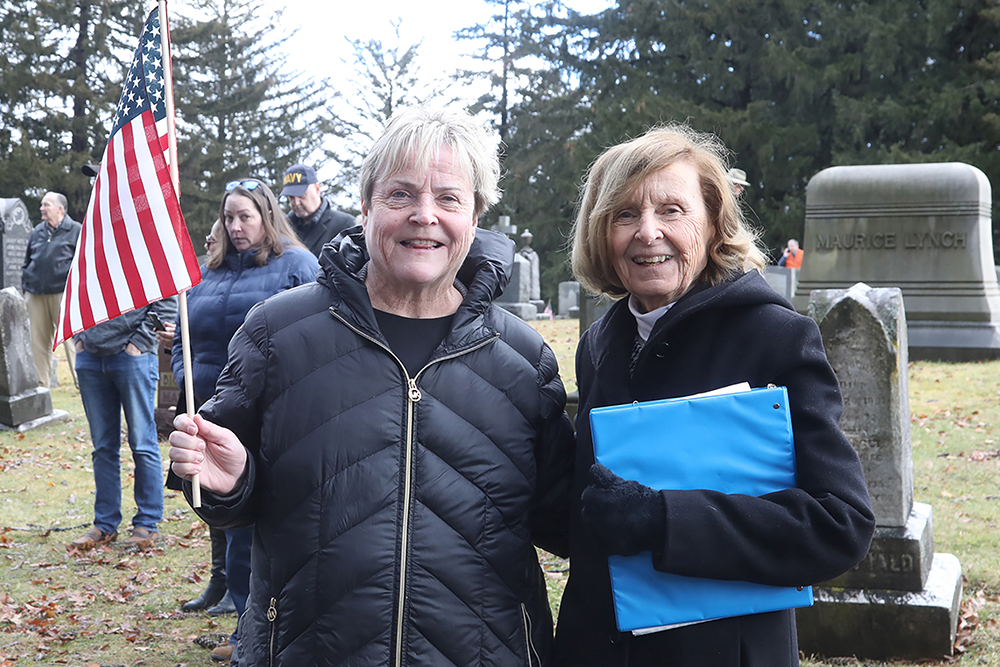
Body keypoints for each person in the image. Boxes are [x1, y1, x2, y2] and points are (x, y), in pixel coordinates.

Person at [168, 105, 575, 666]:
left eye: (448, 198)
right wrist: (229, 484)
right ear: (365, 208)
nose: (424, 215)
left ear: (475, 216)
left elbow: (563, 519)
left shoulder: (523, 361)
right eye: (400, 195)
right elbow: (230, 493)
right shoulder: (276, 334)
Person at [551, 124, 875, 667]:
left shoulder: (774, 337)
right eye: (624, 214)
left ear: (713, 222)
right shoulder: (599, 345)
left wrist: (664, 520)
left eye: (671, 210)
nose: (646, 232)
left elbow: (839, 524)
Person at [172, 180, 318, 662]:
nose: (235, 227)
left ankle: (269, 628)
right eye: (228, 218)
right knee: (225, 520)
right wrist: (186, 377)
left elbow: (318, 337)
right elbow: (184, 340)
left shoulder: (296, 266)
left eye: (245, 217)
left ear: (267, 218)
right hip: (208, 415)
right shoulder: (204, 274)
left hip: (270, 418)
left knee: (267, 527)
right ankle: (242, 622)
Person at [69, 296, 178, 551]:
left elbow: (166, 299)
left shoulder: (146, 254)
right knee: (103, 447)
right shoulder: (86, 255)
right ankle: (105, 524)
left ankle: (147, 523)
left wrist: (138, 345)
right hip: (90, 357)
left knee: (142, 442)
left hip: (133, 356)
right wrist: (79, 339)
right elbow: (74, 293)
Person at [22, 191, 82, 388]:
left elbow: (82, 263)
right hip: (36, 294)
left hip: (63, 293)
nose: (42, 208)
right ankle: (41, 385)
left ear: (60, 209)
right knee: (38, 342)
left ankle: (81, 382)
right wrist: (26, 285)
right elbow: (27, 261)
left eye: (46, 205)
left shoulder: (76, 230)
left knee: (71, 339)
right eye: (41, 205)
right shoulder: (37, 231)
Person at [280, 163, 355, 256]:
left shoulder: (344, 225)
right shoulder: (282, 228)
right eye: (291, 197)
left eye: (301, 195)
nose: (296, 202)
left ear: (317, 188)